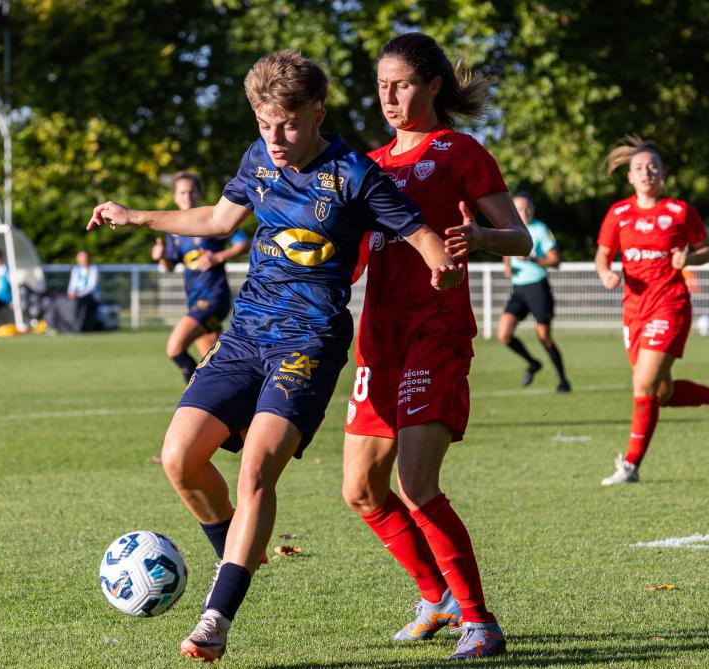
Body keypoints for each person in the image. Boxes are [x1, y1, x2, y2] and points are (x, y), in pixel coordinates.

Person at [87, 49, 464, 663]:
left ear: (317, 114)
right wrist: (136, 217)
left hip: (309, 341)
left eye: (287, 125)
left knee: (256, 470)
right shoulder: (258, 158)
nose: (275, 139)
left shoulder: (355, 174)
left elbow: (420, 232)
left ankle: (216, 617)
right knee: (179, 457)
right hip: (245, 334)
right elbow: (218, 219)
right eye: (265, 125)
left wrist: (441, 264)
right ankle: (240, 549)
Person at [339, 33, 532, 662]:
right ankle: (437, 597)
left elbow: (520, 238)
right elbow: (351, 259)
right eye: (382, 86)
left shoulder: (459, 151)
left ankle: (480, 623)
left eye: (402, 84)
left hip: (436, 333)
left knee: (417, 482)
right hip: (379, 340)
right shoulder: (366, 165)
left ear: (433, 85)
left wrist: (480, 237)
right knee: (361, 490)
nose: (389, 97)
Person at [594, 136, 709, 486]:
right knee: (661, 393)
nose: (646, 172)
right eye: (639, 168)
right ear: (630, 177)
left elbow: (708, 250)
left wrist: (688, 258)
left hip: (670, 306)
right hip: (634, 311)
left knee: (643, 384)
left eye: (653, 167)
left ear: (663, 175)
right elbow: (602, 256)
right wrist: (605, 274)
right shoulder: (618, 213)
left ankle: (630, 466)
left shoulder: (679, 211)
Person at [151, 173, 251, 380]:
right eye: (182, 192)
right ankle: (232, 394)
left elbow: (244, 242)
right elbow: (169, 267)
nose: (187, 196)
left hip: (214, 298)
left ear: (199, 194)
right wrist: (161, 257)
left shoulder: (212, 220)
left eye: (191, 191)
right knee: (214, 366)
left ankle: (193, 394)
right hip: (194, 300)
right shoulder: (173, 230)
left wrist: (218, 257)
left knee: (175, 348)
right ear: (175, 197)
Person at [499, 190, 571, 392]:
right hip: (519, 289)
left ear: (533, 209)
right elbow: (506, 250)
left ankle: (563, 381)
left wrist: (532, 259)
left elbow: (555, 261)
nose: (524, 212)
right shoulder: (509, 228)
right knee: (504, 334)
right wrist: (507, 265)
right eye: (519, 209)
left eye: (527, 208)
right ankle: (533, 363)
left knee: (544, 337)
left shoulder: (540, 229)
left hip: (538, 287)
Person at [61, 249, 101, 333]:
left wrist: (78, 294)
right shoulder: (76, 269)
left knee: (80, 302)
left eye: (84, 258)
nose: (82, 260)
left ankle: (78, 327)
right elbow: (72, 284)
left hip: (89, 296)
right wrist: (71, 293)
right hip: (76, 295)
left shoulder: (94, 269)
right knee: (61, 300)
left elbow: (91, 287)